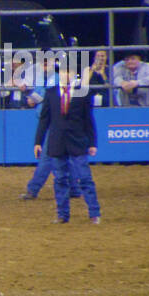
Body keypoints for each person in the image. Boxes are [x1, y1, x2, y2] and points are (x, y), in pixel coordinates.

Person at [35, 67, 101, 224]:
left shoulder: (83, 93)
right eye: (64, 72)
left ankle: (94, 213)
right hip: (57, 142)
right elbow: (44, 120)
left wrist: (92, 142)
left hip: (77, 141)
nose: (66, 75)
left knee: (85, 178)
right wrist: (38, 141)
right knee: (60, 180)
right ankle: (62, 215)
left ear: (74, 75)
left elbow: (88, 120)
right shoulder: (50, 93)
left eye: (69, 72)